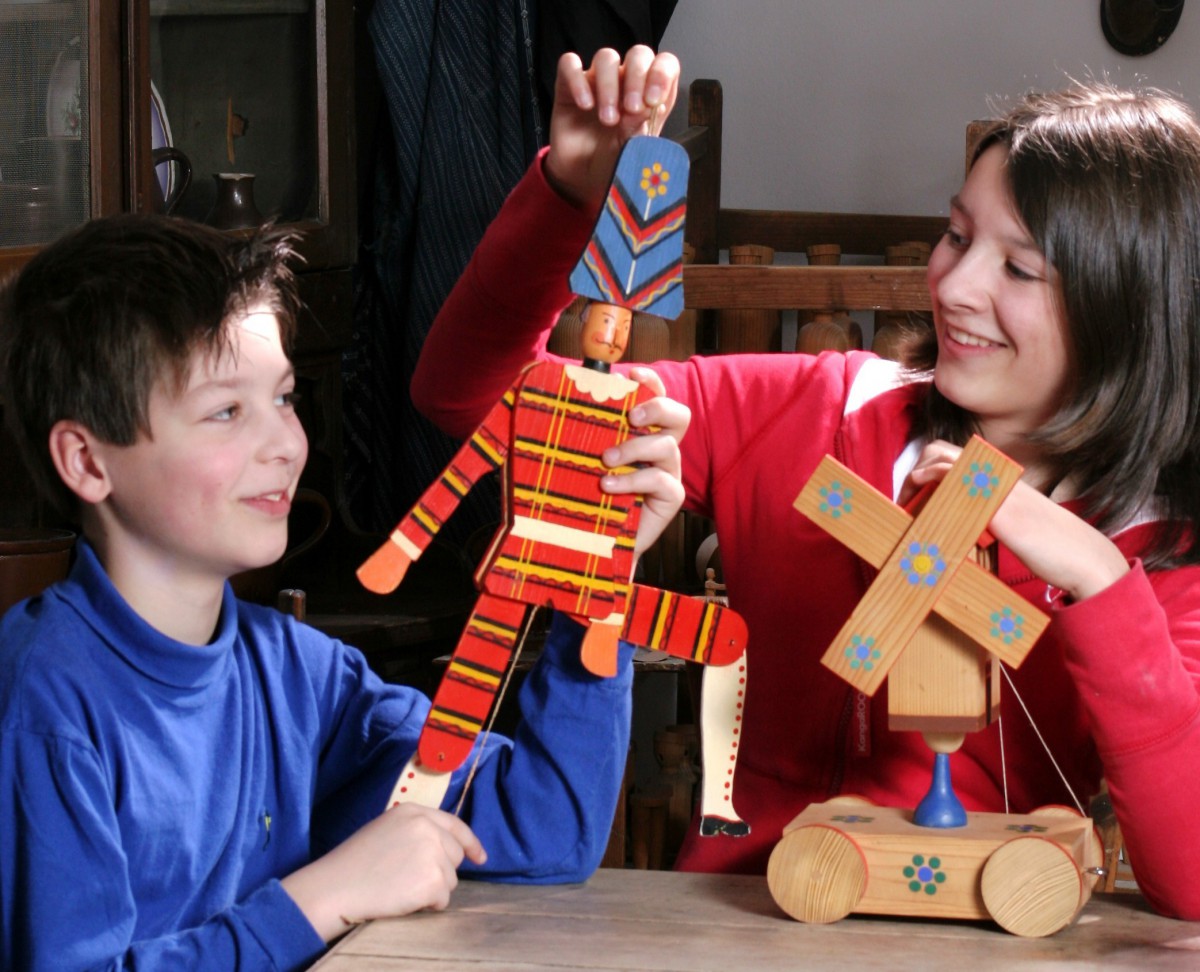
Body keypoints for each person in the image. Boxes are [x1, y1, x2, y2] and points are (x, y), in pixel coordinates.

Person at [408, 46, 1200, 922]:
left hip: (984, 927)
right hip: (732, 915)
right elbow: (464, 398)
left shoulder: (1164, 552)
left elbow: (1192, 878)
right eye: (957, 235)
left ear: (1127, 314)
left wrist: (1099, 579)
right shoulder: (819, 407)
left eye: (1019, 269)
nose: (955, 285)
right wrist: (569, 190)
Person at [0, 213, 692, 970]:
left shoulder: (299, 676)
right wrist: (320, 900)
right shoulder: (43, 702)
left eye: (286, 398)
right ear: (88, 462)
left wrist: (599, 567)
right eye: (227, 411)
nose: (286, 444)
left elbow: (546, 829)